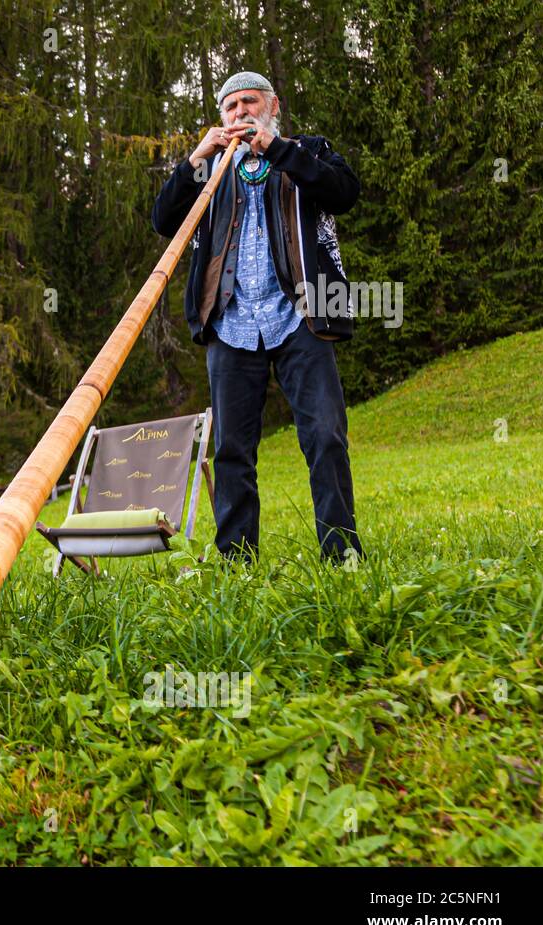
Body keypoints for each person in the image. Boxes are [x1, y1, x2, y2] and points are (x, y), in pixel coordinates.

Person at [152, 70, 363, 564]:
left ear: (272, 109)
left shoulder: (307, 150)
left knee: (325, 437)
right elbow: (163, 220)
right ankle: (237, 566)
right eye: (231, 106)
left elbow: (344, 192)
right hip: (231, 321)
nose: (241, 112)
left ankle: (342, 556)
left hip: (302, 316)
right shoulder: (211, 170)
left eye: (250, 102)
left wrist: (277, 149)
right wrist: (195, 159)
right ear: (220, 118)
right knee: (230, 453)